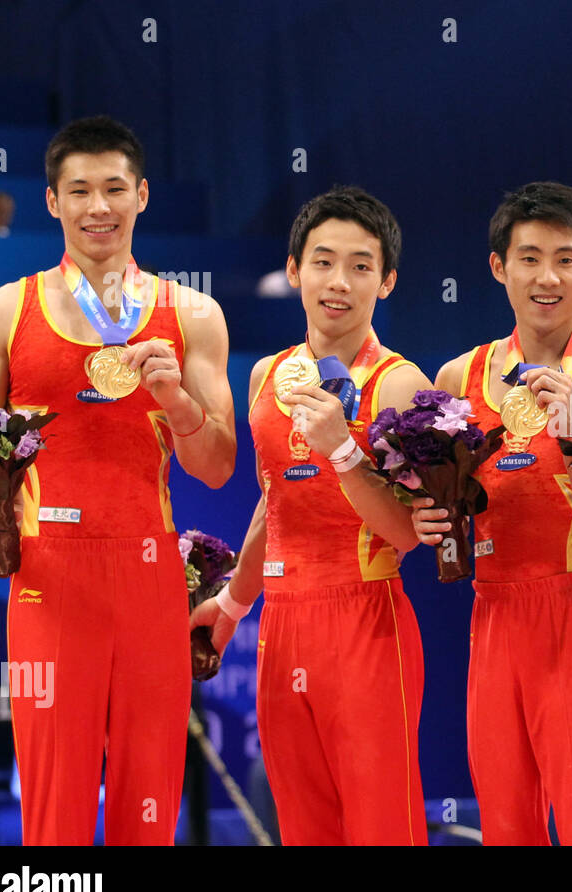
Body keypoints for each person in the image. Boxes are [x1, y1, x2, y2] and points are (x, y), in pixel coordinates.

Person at [0, 116, 236, 845]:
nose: (98, 206)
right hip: (48, 582)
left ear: (142, 195)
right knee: (55, 811)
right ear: (52, 202)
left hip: (150, 582)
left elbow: (218, 465)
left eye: (114, 188)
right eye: (79, 190)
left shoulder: (193, 314)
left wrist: (177, 402)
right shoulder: (1, 313)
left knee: (150, 806)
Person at [412, 182, 572, 845]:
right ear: (498, 267)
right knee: (506, 825)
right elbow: (443, 513)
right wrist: (432, 521)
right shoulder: (458, 378)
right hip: (491, 622)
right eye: (529, 258)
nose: (547, 277)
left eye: (565, 259)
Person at [191, 186, 431, 845]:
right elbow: (275, 501)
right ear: (294, 270)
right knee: (301, 830)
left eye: (361, 266)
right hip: (282, 628)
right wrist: (233, 607)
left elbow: (407, 533)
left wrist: (345, 450)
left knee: (384, 828)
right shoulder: (266, 376)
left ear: (386, 282)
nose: (339, 282)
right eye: (323, 262)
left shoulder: (401, 385)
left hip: (367, 624)